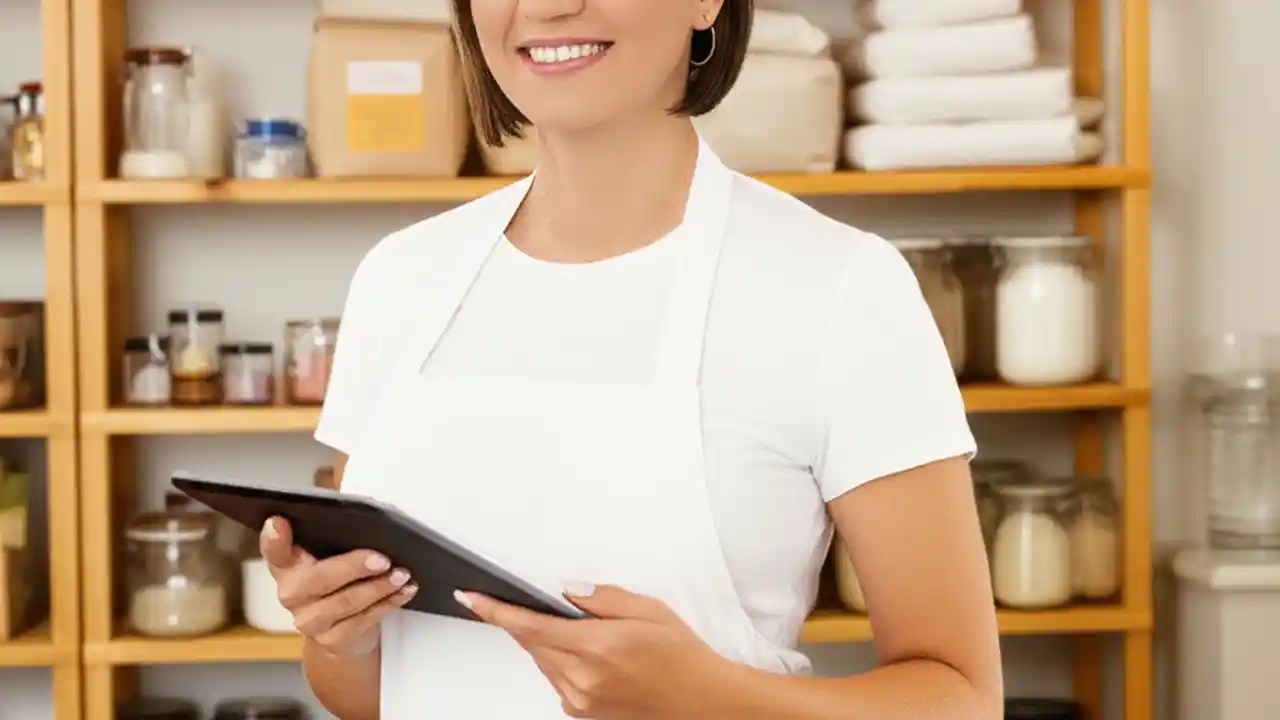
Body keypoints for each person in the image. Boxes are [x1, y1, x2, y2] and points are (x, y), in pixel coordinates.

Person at [258, 0, 1003, 717]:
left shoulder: (837, 287)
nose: (547, 6)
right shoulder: (402, 278)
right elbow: (368, 697)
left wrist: (712, 702)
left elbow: (961, 699)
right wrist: (342, 637)